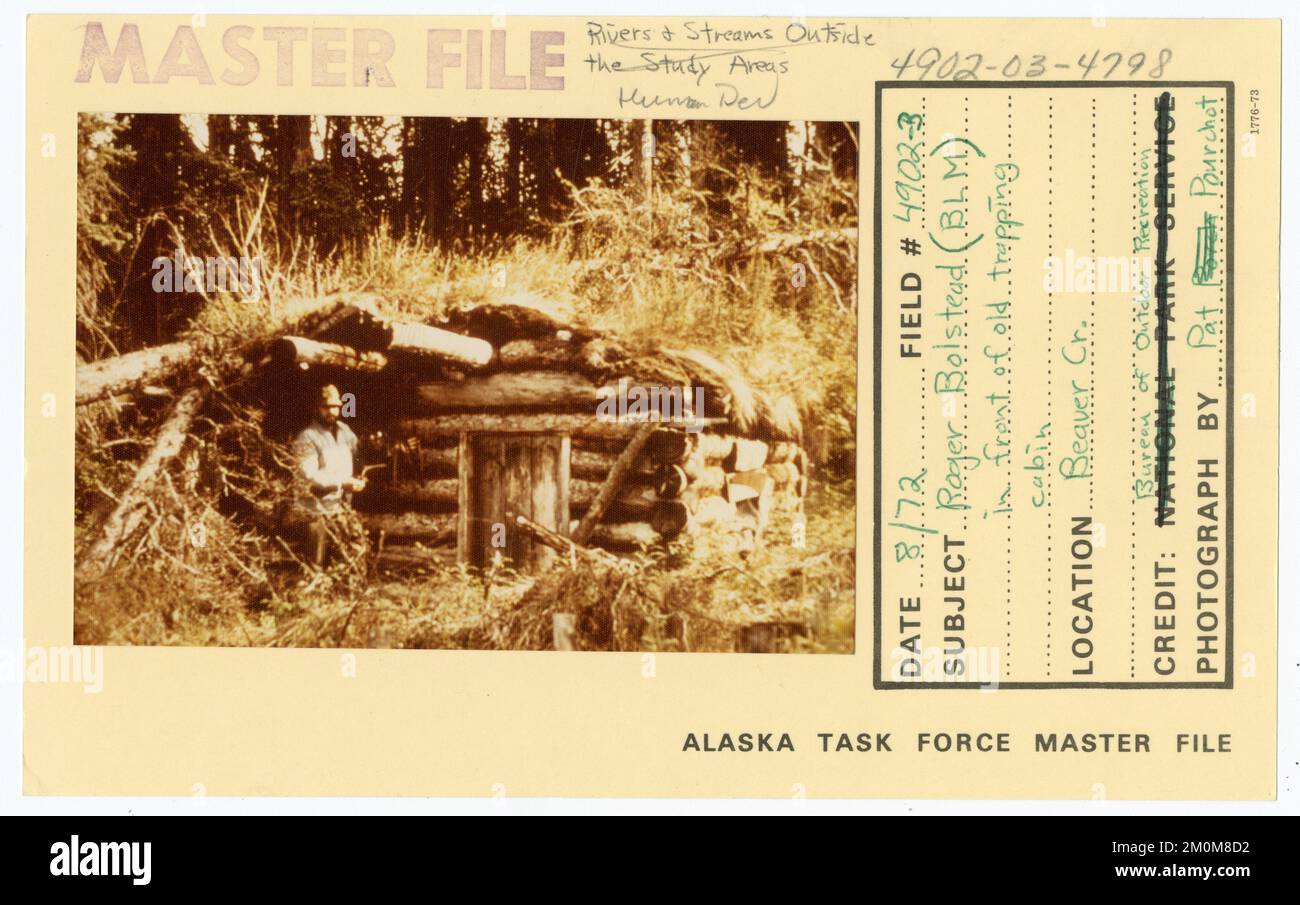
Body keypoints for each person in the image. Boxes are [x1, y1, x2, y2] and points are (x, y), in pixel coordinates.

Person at [287, 384, 367, 567]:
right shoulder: (306, 437)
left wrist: (361, 474)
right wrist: (342, 483)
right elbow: (308, 476)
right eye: (326, 407)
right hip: (315, 511)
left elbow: (359, 452)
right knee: (316, 564)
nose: (332, 411)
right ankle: (312, 594)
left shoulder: (344, 431)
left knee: (344, 561)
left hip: (340, 509)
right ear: (316, 408)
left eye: (336, 407)